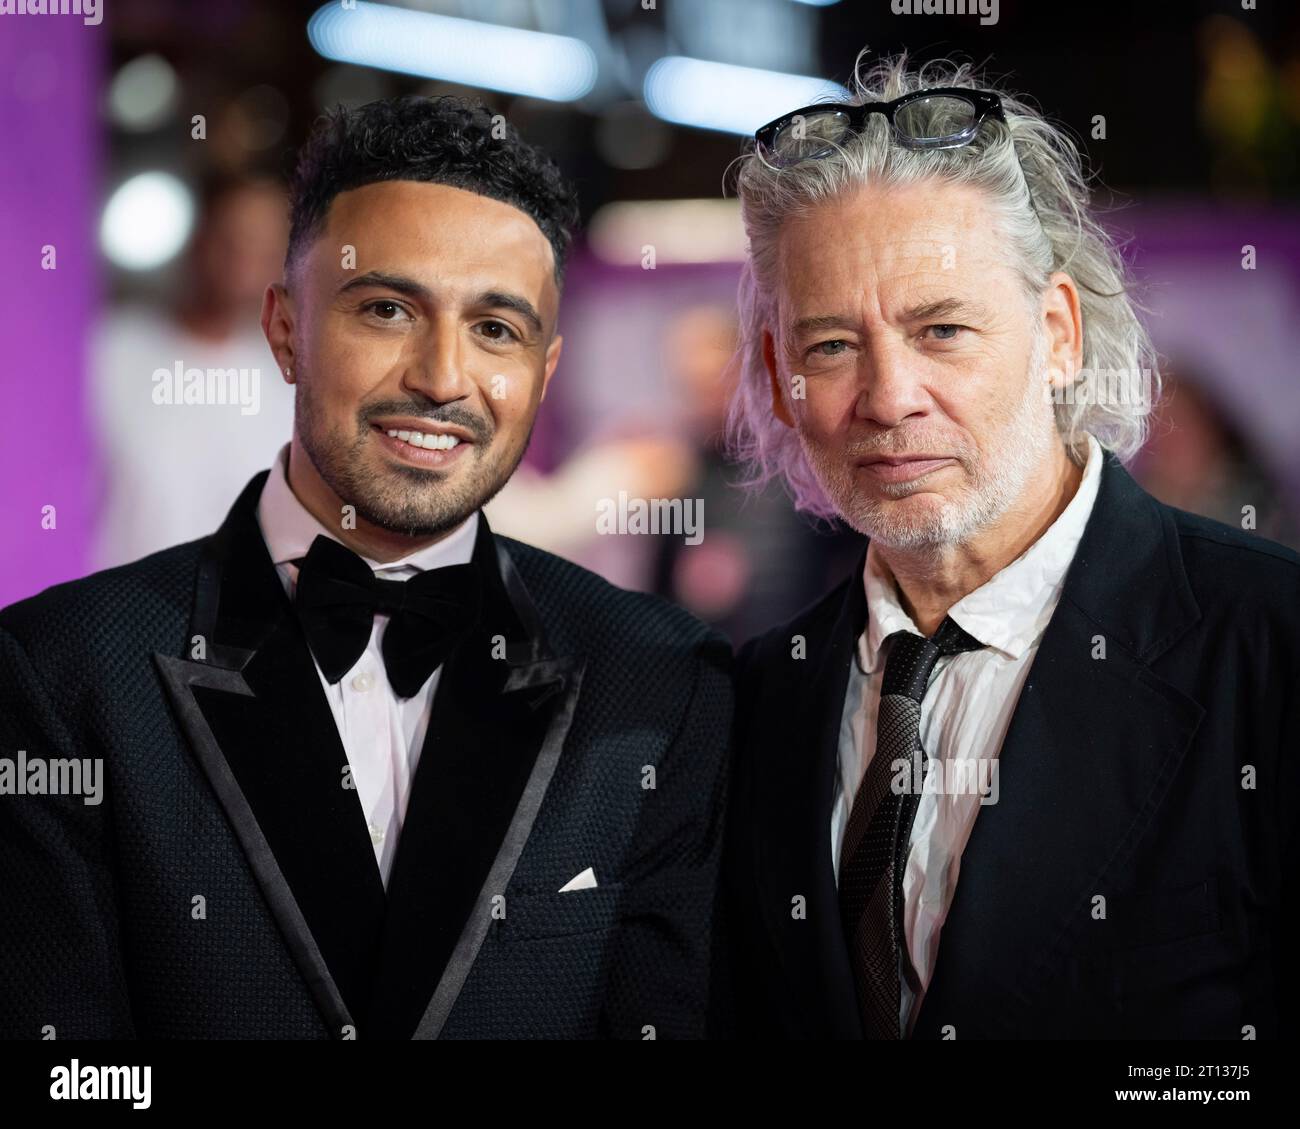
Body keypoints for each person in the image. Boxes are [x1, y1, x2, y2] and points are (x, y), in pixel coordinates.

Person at [0, 96, 730, 1040]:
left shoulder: (662, 681)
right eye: (387, 309)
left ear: (546, 371)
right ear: (286, 329)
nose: (440, 376)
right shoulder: (60, 675)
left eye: (496, 329)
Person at [723, 53, 1299, 1039]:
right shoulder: (749, 702)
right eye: (829, 346)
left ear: (1058, 334)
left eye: (941, 329)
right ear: (778, 376)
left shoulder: (1272, 647)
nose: (889, 395)